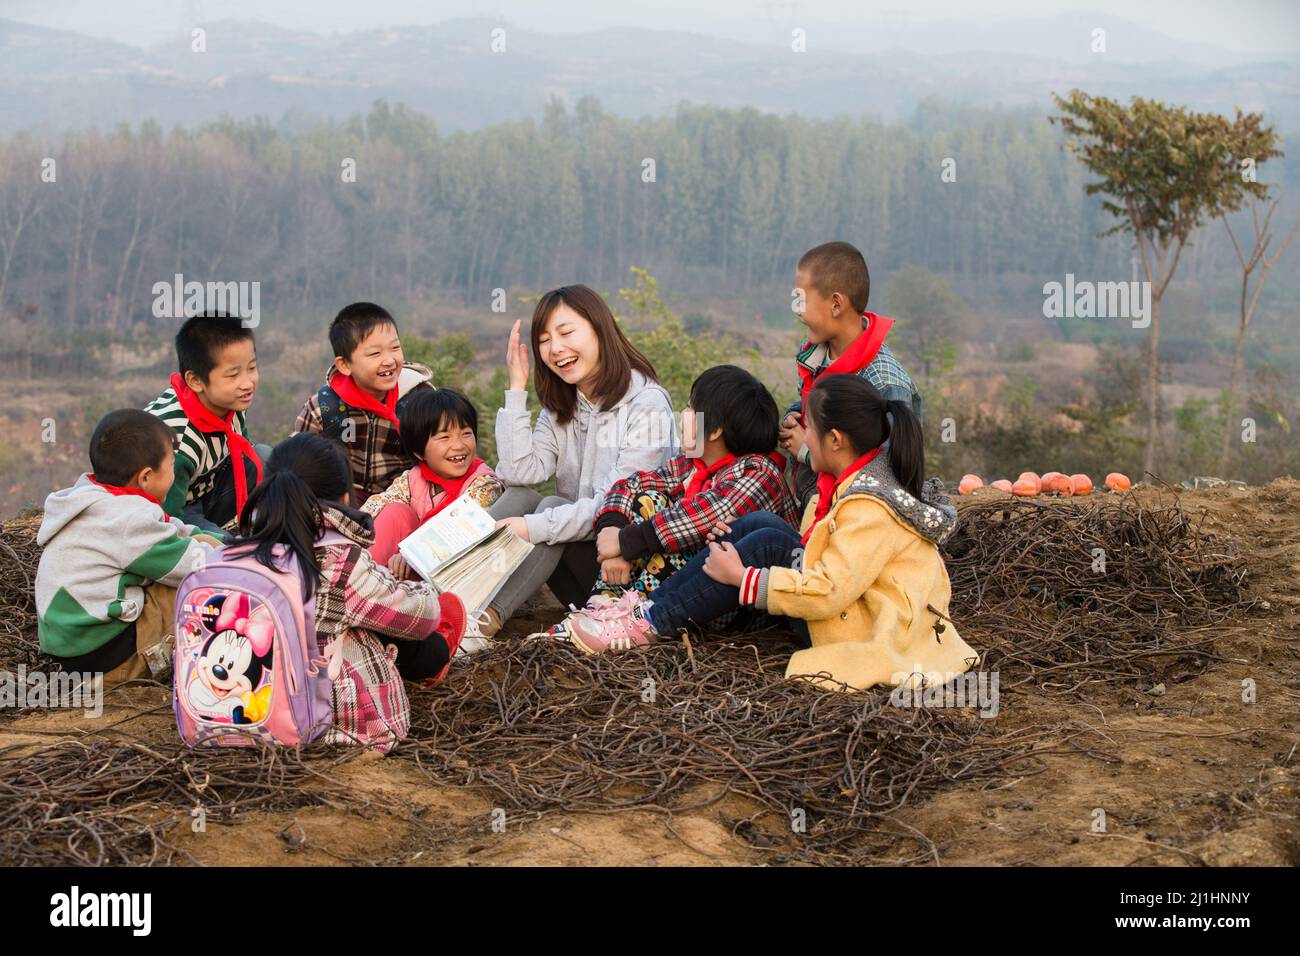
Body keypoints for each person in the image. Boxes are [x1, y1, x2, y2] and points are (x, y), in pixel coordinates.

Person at [562, 376, 979, 692]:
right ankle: (640, 613)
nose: (798, 442)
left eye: (808, 431)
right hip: (847, 608)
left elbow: (831, 589)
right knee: (760, 528)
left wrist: (744, 579)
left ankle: (648, 622)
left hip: (862, 625)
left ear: (834, 440)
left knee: (765, 541)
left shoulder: (869, 508)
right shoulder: (846, 485)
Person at [484, 284, 676, 639]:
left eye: (566, 332)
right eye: (544, 339)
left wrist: (531, 528)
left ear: (600, 329)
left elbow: (618, 506)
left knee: (549, 509)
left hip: (628, 573)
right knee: (522, 497)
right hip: (579, 560)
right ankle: (443, 587)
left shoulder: (646, 405)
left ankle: (483, 620)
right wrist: (515, 388)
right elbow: (517, 470)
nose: (556, 349)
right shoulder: (563, 404)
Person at [36, 409, 220, 686]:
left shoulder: (97, 499)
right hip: (110, 660)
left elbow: (173, 531)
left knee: (201, 545)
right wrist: (243, 558)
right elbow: (196, 565)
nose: (175, 474)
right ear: (146, 477)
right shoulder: (128, 521)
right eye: (171, 466)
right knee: (202, 588)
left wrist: (220, 541)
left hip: (74, 651)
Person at [588, 364, 798, 602]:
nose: (682, 414)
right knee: (650, 500)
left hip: (737, 602)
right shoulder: (692, 462)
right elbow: (630, 485)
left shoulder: (760, 472)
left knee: (686, 540)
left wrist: (624, 542)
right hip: (690, 586)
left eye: (690, 408)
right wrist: (613, 531)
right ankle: (605, 606)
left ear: (715, 429)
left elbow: (701, 518)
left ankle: (634, 614)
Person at [779, 241, 923, 508]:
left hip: (855, 519)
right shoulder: (814, 355)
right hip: (816, 504)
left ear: (836, 304)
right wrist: (794, 418)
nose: (797, 310)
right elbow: (816, 407)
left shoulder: (885, 383)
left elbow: (887, 479)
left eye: (801, 300)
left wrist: (807, 452)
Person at [294, 302, 435, 506]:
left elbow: (441, 452)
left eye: (395, 348)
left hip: (406, 499)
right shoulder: (323, 408)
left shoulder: (419, 399)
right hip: (342, 501)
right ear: (344, 365)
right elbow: (300, 464)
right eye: (375, 354)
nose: (389, 360)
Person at [144, 313, 269, 534]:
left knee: (264, 457)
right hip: (177, 506)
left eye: (251, 368)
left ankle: (249, 527)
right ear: (196, 381)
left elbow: (243, 454)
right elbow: (167, 519)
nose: (248, 383)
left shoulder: (232, 402)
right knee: (227, 550)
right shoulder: (177, 440)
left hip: (209, 487)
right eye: (232, 375)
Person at [361, 387, 504, 577]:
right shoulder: (413, 479)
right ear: (419, 452)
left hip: (456, 573)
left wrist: (411, 555)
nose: (459, 445)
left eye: (466, 433)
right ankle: (357, 580)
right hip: (409, 574)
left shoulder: (484, 485)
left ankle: (364, 589)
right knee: (395, 512)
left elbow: (457, 536)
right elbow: (376, 506)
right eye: (445, 437)